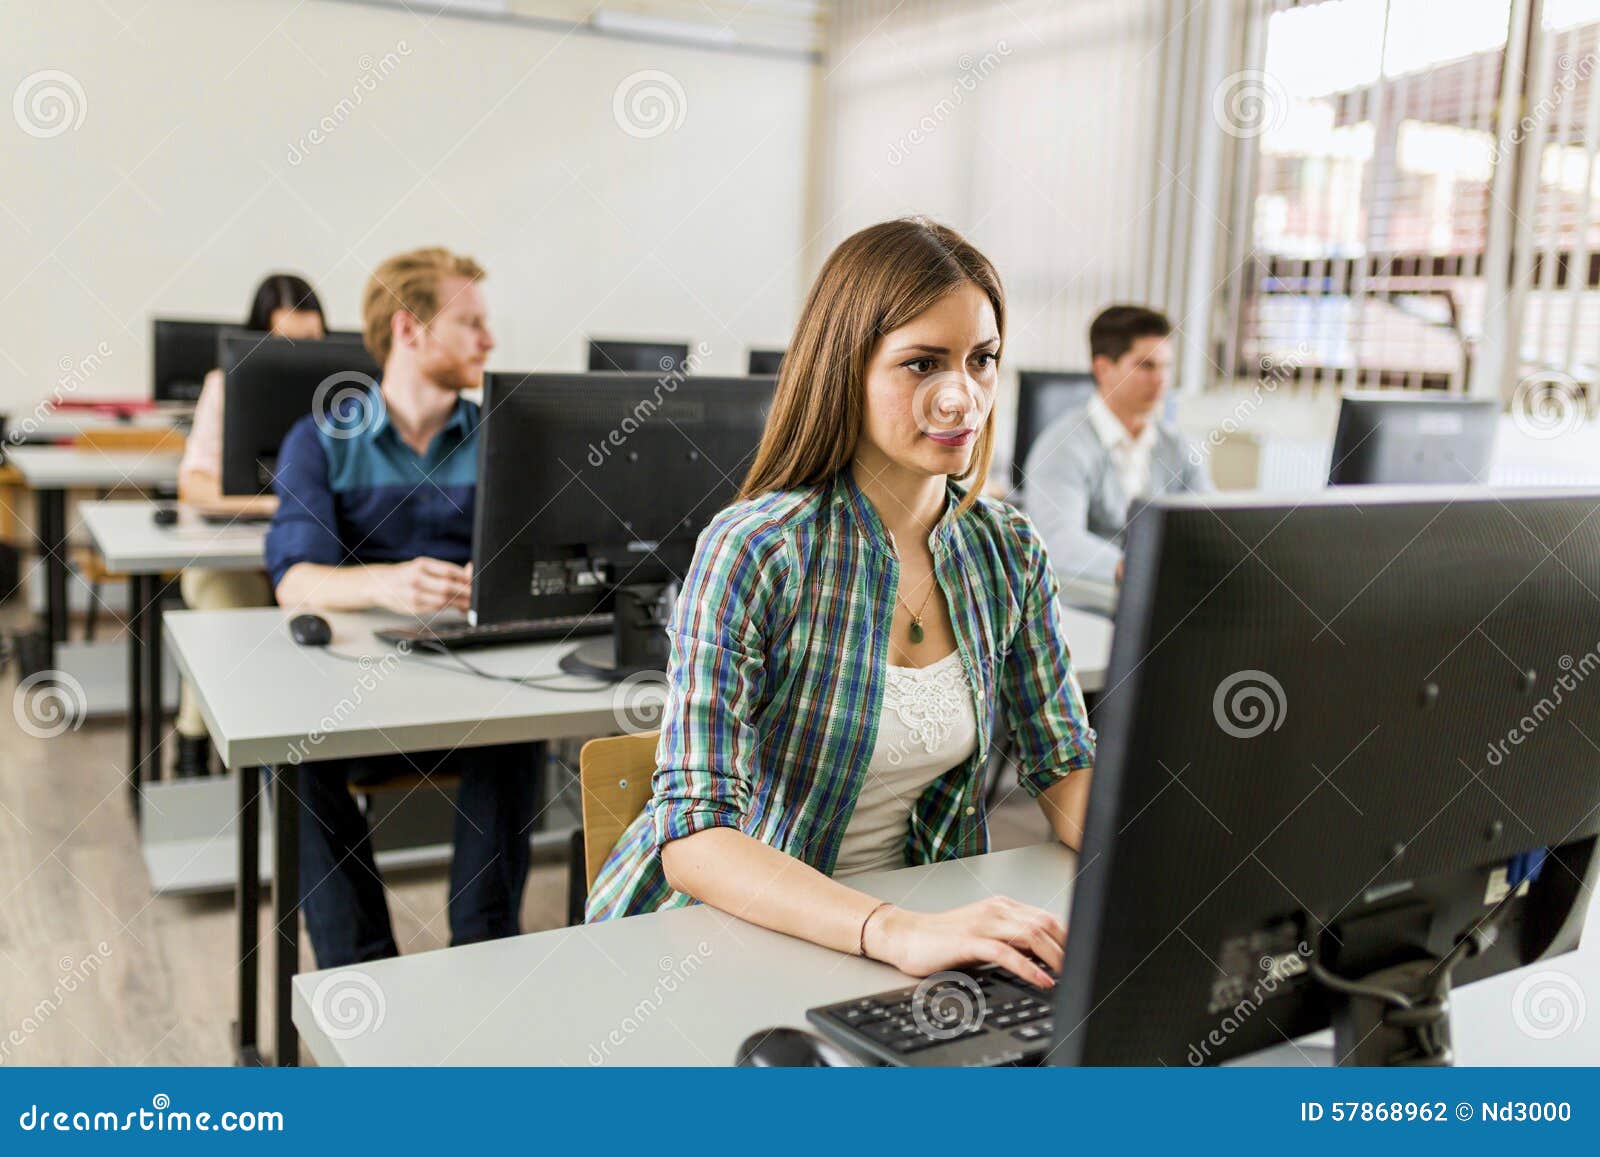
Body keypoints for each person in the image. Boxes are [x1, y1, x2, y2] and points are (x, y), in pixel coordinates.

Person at [586, 219, 1095, 992]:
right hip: (731, 932)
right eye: (922, 362)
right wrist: (894, 930)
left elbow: (1063, 764)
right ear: (844, 370)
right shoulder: (759, 549)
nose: (963, 395)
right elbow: (695, 835)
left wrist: (1156, 877)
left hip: (923, 924)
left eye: (982, 360)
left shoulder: (1005, 548)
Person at [264, 246, 538, 968]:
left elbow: (547, 561)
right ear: (410, 331)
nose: (490, 340)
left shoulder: (504, 437)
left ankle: (481, 956)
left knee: (520, 727)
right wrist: (384, 583)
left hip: (470, 679)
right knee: (289, 756)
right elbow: (293, 577)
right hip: (358, 693)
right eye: (471, 322)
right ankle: (365, 976)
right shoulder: (321, 439)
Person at [172, 274, 326, 777]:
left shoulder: (344, 393)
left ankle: (302, 761)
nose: (300, 358)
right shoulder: (224, 386)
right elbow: (192, 486)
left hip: (310, 554)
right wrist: (280, 504)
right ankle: (196, 748)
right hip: (228, 559)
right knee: (229, 608)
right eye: (286, 345)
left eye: (312, 345)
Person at [1022, 305, 1212, 599]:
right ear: (1103, 369)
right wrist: (1137, 569)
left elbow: (1210, 521)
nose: (1161, 379)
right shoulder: (1062, 447)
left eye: (1166, 366)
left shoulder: (1176, 445)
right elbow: (1058, 541)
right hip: (1089, 604)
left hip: (1163, 597)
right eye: (1146, 366)